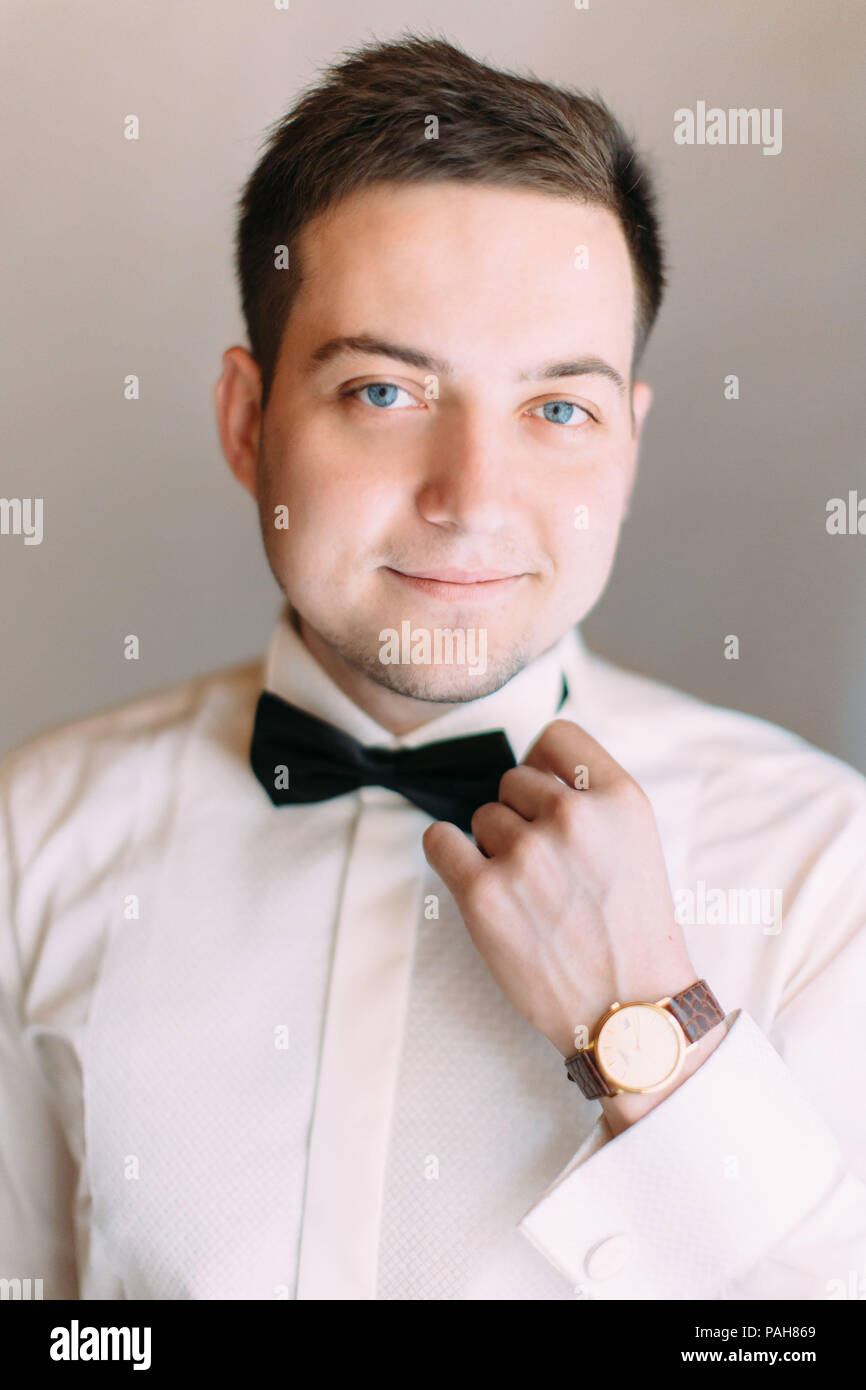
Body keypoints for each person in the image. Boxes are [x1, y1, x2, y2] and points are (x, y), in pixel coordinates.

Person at [1, 33, 864, 1303]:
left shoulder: (821, 864)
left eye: (555, 409)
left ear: (625, 443)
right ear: (248, 422)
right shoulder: (34, 834)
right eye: (383, 392)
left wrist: (646, 1030)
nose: (471, 500)